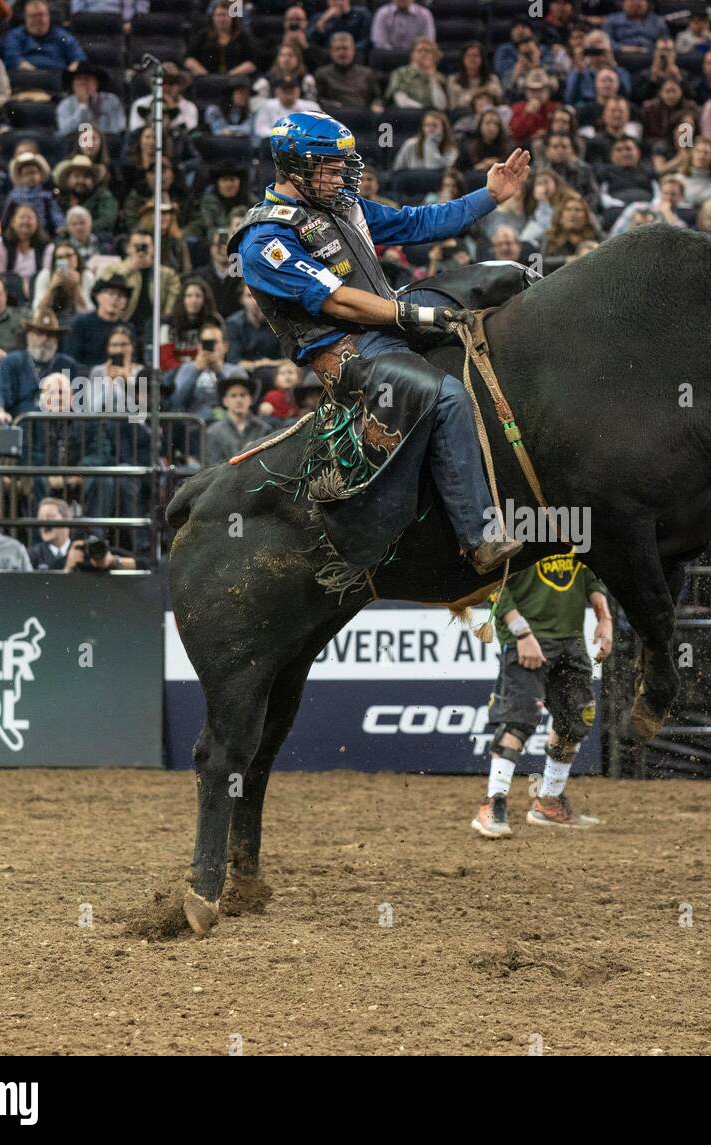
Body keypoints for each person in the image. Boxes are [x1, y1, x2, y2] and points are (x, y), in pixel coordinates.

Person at [234, 110, 531, 574]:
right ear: (295, 168)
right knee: (447, 397)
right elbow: (336, 302)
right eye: (330, 167)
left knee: (490, 280)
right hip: (352, 353)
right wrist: (409, 313)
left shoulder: (345, 206)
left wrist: (489, 196)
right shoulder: (264, 240)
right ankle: (479, 537)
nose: (343, 175)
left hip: (392, 322)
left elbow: (416, 224)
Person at [472, 549, 613, 839]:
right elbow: (494, 582)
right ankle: (493, 804)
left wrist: (604, 616)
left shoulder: (574, 523)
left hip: (570, 640)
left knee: (576, 719)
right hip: (527, 639)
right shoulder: (517, 521)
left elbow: (590, 573)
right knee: (518, 720)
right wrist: (522, 634)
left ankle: (549, 799)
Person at [0, 313, 78, 422]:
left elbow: (76, 400)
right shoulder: (13, 361)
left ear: (56, 339)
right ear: (29, 335)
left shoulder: (67, 364)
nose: (44, 339)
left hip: (56, 424)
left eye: (50, 335)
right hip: (20, 422)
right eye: (39, 333)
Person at [205, 377, 274, 467]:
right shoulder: (213, 432)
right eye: (233, 396)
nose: (239, 400)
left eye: (243, 395)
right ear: (225, 401)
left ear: (251, 399)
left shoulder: (264, 429)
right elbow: (212, 466)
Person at [27, 496, 74, 571]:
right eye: (41, 518)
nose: (44, 522)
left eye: (50, 517)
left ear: (67, 520)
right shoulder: (31, 555)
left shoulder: (80, 553)